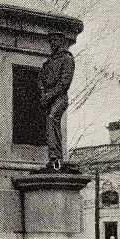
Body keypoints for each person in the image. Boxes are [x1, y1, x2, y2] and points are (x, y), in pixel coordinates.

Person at [38, 32, 75, 168]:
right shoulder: (47, 63)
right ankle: (55, 157)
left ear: (61, 42)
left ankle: (55, 156)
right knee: (51, 124)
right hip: (48, 98)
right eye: (51, 41)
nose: (53, 43)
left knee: (52, 119)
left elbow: (64, 83)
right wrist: (43, 93)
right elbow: (40, 79)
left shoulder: (67, 59)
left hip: (59, 98)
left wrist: (48, 96)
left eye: (56, 40)